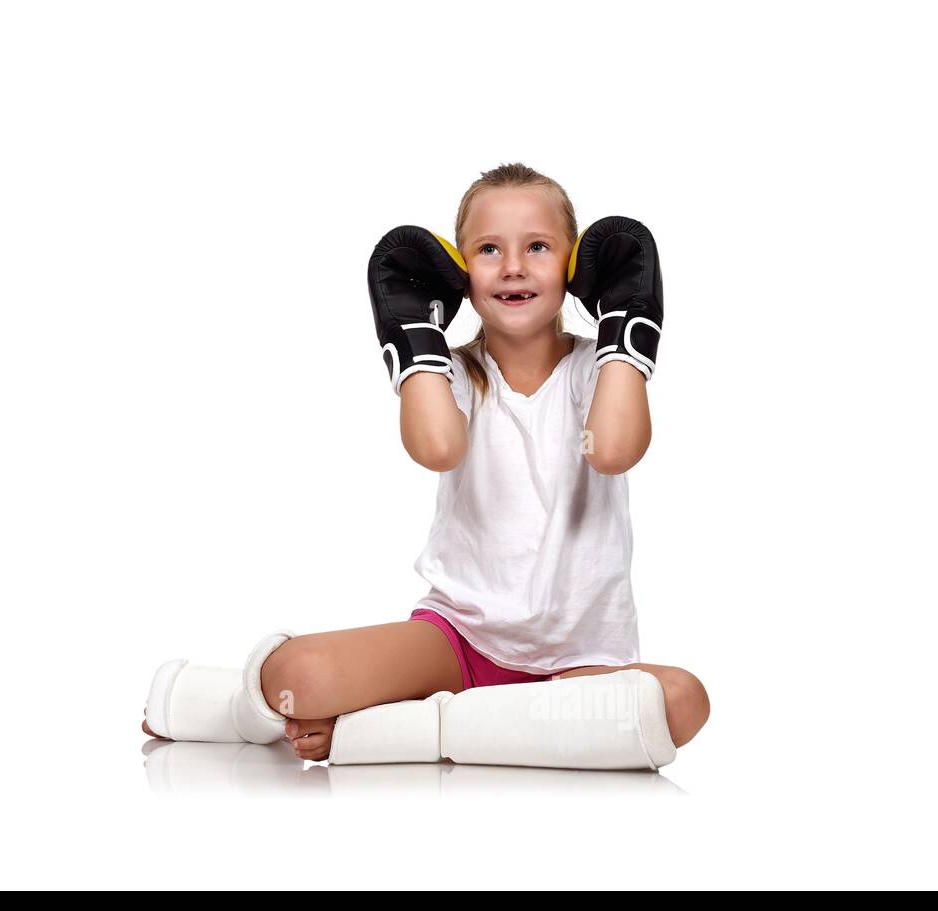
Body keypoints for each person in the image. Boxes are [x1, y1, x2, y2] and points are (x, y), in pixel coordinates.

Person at [142, 162, 709, 764]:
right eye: (489, 249)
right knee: (301, 674)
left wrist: (628, 330)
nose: (513, 266)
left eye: (538, 247)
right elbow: (438, 446)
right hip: (458, 641)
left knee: (680, 701)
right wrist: (415, 341)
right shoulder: (455, 374)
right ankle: (227, 707)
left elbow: (615, 450)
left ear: (575, 269)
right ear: (459, 272)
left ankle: (404, 728)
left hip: (582, 663)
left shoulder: (598, 369)